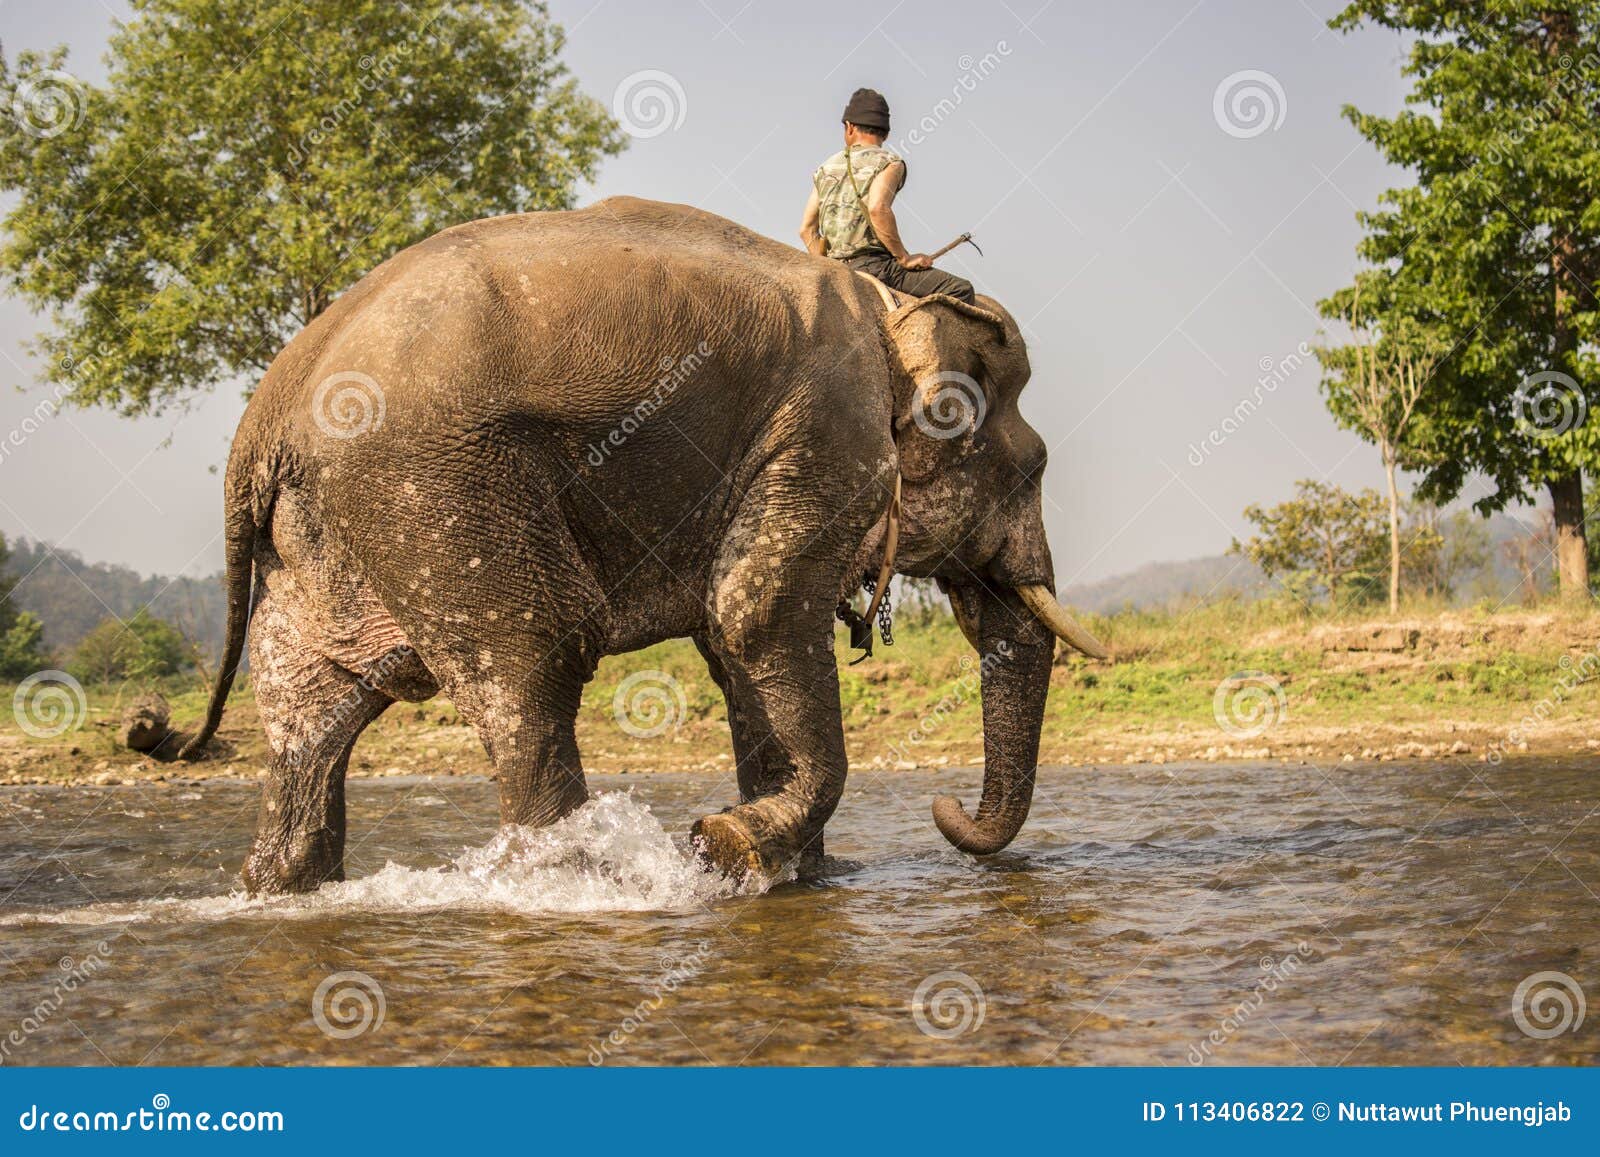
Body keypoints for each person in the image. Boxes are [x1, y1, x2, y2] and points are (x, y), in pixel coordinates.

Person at [798, 87, 976, 303]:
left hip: (834, 267)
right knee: (961, 289)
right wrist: (903, 257)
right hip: (875, 267)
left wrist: (827, 270)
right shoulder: (889, 163)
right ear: (886, 133)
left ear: (849, 127)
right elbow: (877, 208)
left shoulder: (825, 168)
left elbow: (807, 229)